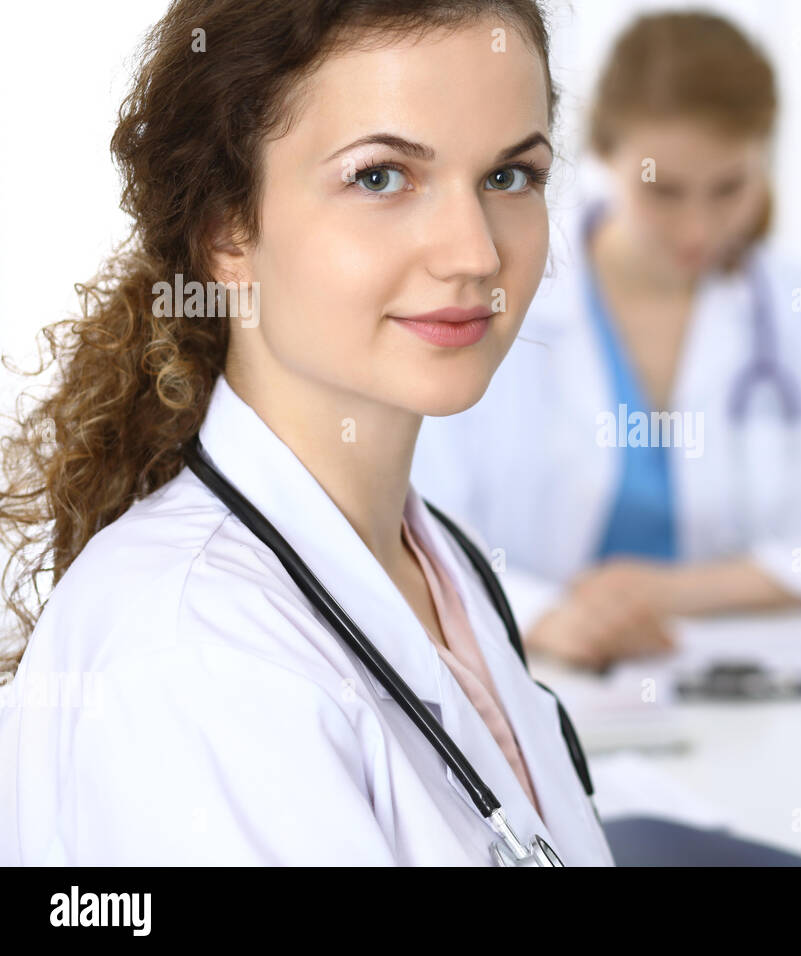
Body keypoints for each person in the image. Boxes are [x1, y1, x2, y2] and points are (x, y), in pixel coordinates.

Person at [0, 0, 614, 866]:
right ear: (226, 231)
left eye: (510, 177)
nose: (475, 253)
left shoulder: (442, 565)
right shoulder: (192, 657)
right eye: (381, 177)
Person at [412, 11, 801, 670]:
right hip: (546, 677)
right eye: (663, 191)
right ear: (604, 154)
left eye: (730, 188)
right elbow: (419, 526)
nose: (698, 228)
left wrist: (684, 593)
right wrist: (545, 617)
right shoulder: (498, 301)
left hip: (767, 686)